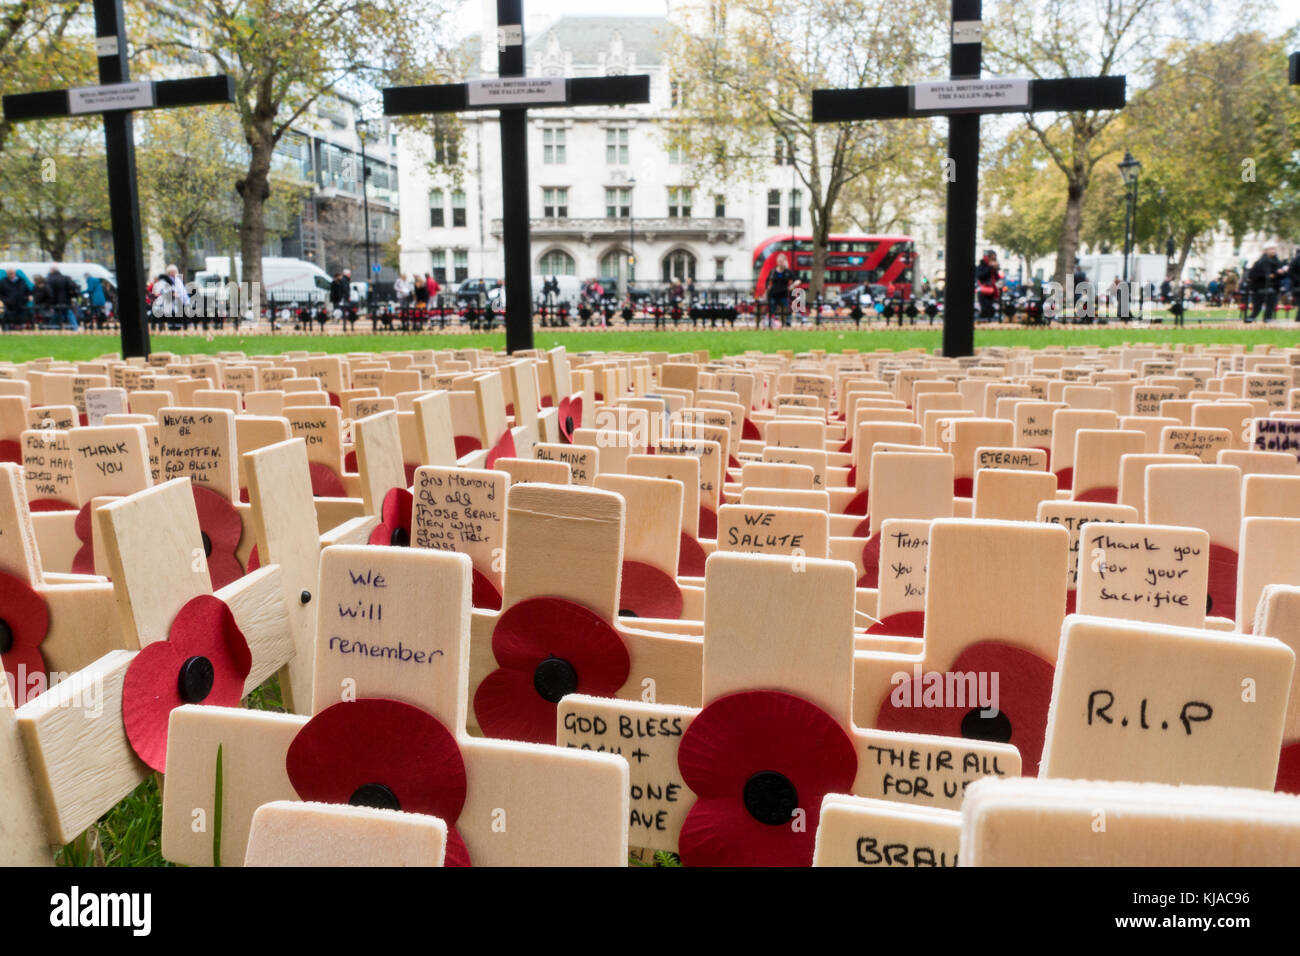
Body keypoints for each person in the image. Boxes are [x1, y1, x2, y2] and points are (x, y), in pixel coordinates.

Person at [1246, 245, 1286, 322]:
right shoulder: (1260, 262)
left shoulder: (1277, 262)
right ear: (1266, 251)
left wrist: (1280, 273)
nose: (1273, 251)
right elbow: (1252, 275)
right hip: (1260, 287)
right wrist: (1267, 276)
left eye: (1274, 249)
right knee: (1257, 309)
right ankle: (1249, 320)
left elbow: (1279, 275)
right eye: (1271, 249)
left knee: (1270, 307)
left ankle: (1267, 321)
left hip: (1273, 287)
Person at [45, 264, 79, 331]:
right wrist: (72, 294)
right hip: (66, 300)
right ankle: (75, 328)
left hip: (55, 301)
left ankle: (52, 328)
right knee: (69, 313)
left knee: (56, 314)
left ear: (52, 271)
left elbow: (49, 292)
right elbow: (74, 288)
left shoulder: (50, 279)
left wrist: (49, 301)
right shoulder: (66, 278)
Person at [765, 254, 794, 328]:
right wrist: (767, 287)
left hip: (783, 294)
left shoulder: (788, 271)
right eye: (779, 261)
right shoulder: (773, 271)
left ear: (784, 261)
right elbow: (767, 281)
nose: (780, 263)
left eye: (781, 261)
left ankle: (787, 324)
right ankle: (770, 323)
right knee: (772, 309)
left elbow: (797, 280)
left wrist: (792, 286)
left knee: (786, 309)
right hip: (773, 294)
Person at [975, 252, 1001, 321]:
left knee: (989, 305)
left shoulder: (992, 268)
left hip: (992, 289)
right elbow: (980, 276)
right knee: (985, 305)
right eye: (992, 258)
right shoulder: (981, 266)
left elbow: (997, 278)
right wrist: (989, 267)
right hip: (983, 288)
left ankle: (988, 318)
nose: (993, 260)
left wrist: (995, 269)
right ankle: (984, 317)